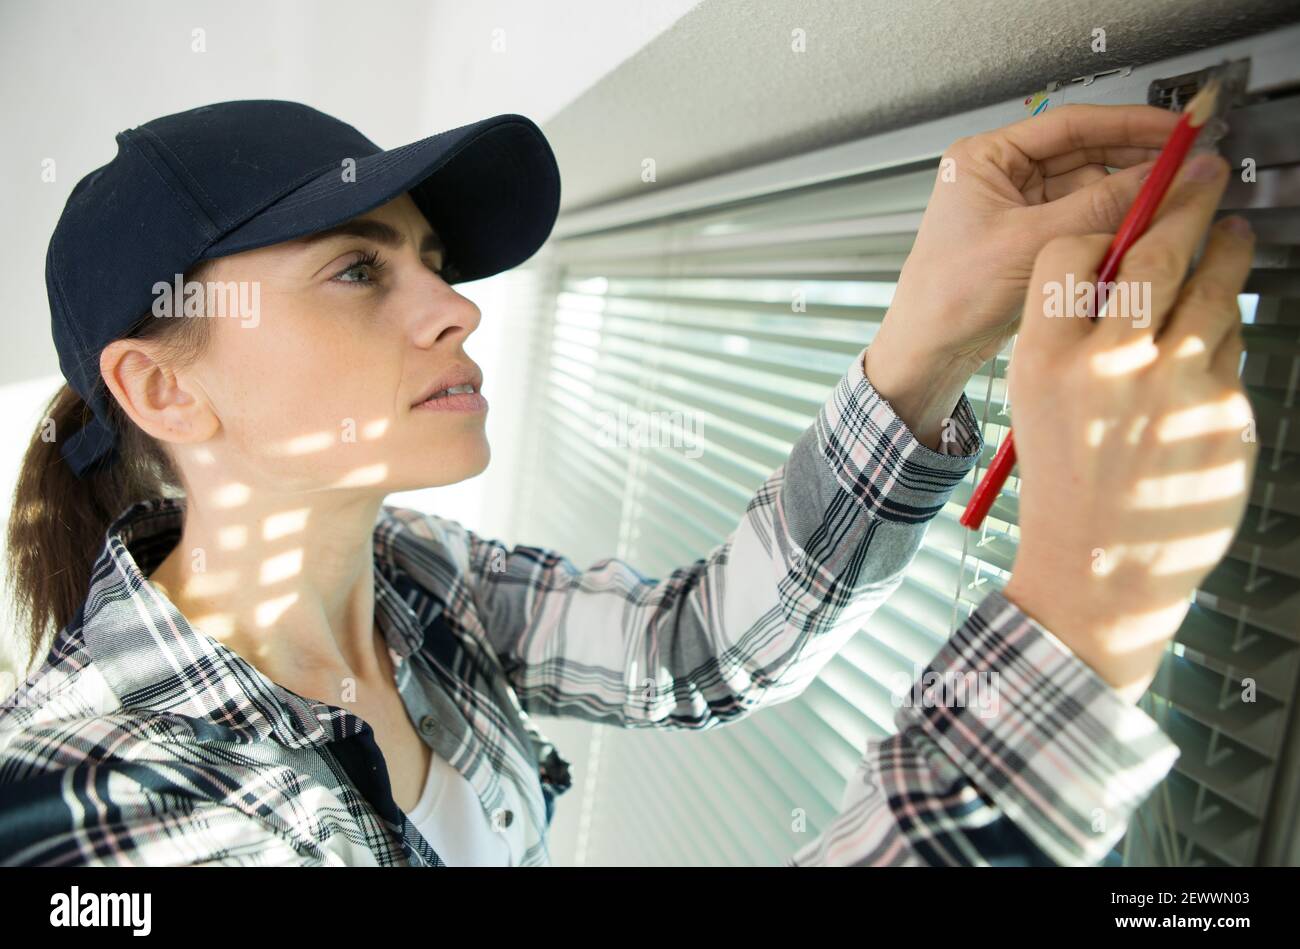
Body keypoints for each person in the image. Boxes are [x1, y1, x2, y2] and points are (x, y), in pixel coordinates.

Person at [0, 99, 1255, 865]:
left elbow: (687, 649)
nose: (455, 309)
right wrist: (1087, 606)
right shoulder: (102, 804)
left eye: (431, 259)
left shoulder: (408, 572)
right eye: (356, 271)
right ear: (165, 388)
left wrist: (922, 347)